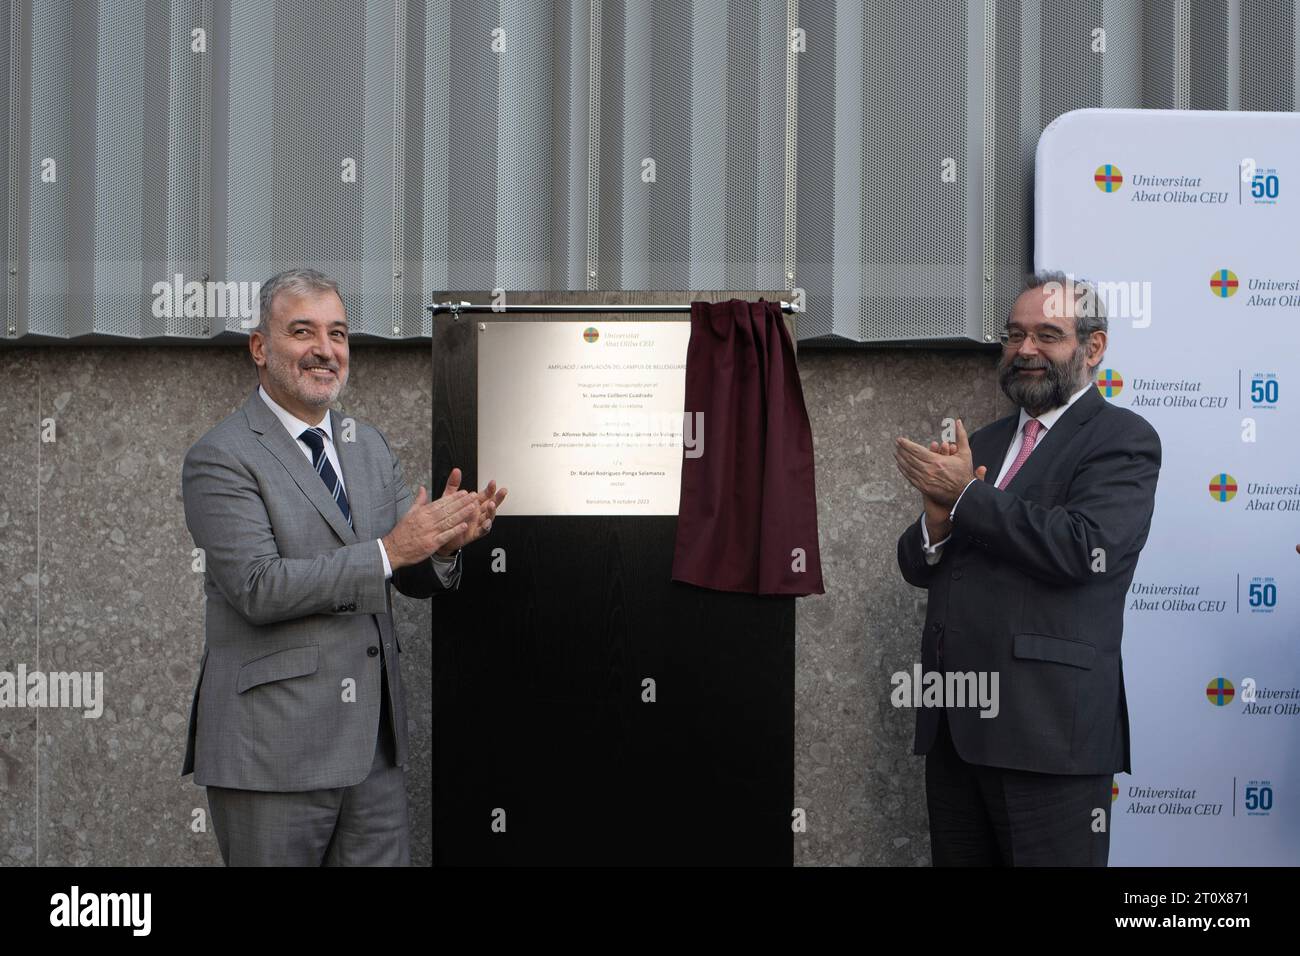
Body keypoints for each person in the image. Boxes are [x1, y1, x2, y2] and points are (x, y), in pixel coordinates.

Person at [180, 268, 506, 865]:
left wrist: (442, 546)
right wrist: (391, 549)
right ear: (259, 347)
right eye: (302, 332)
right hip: (271, 754)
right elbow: (258, 587)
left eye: (338, 333)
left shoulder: (368, 445)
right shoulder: (221, 457)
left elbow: (401, 574)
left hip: (372, 754)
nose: (324, 350)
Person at [893, 271, 1161, 866]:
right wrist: (937, 521)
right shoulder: (982, 444)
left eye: (1047, 334)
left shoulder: (1123, 440)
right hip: (957, 730)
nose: (1026, 350)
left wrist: (966, 498)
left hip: (1049, 736)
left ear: (1092, 348)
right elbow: (919, 565)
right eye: (1015, 335)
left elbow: (1081, 549)